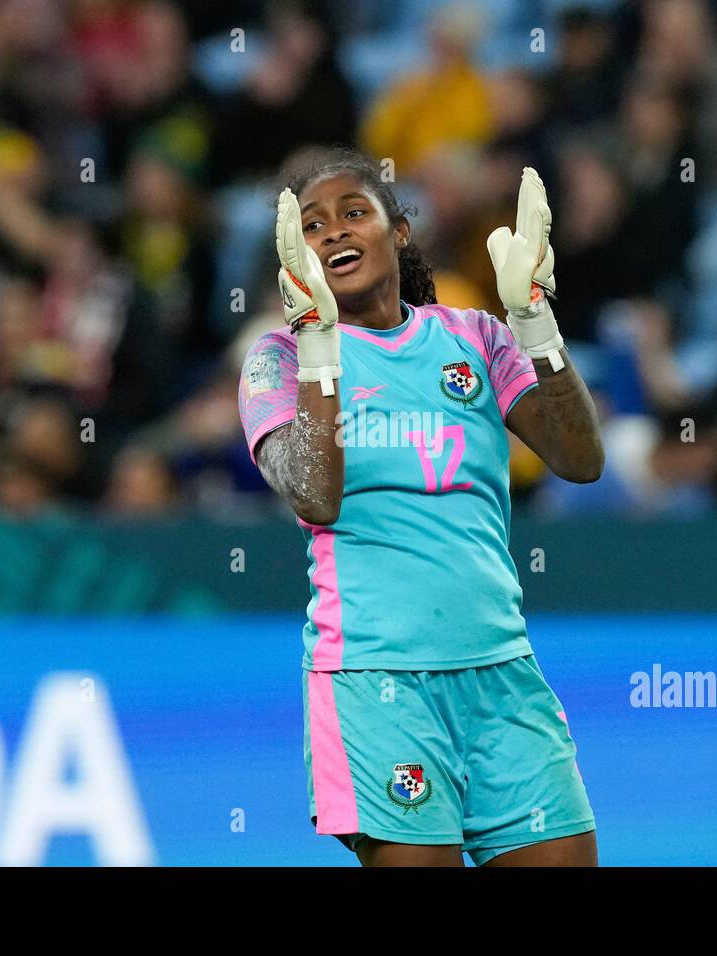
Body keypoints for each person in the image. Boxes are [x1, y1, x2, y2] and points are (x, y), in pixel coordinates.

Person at [237, 145, 603, 866]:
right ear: (292, 257)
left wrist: (533, 320)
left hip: (502, 675)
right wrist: (318, 341)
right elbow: (315, 493)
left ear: (397, 231)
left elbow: (579, 458)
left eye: (353, 213)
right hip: (377, 683)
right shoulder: (276, 360)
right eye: (312, 226)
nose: (334, 233)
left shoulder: (476, 337)